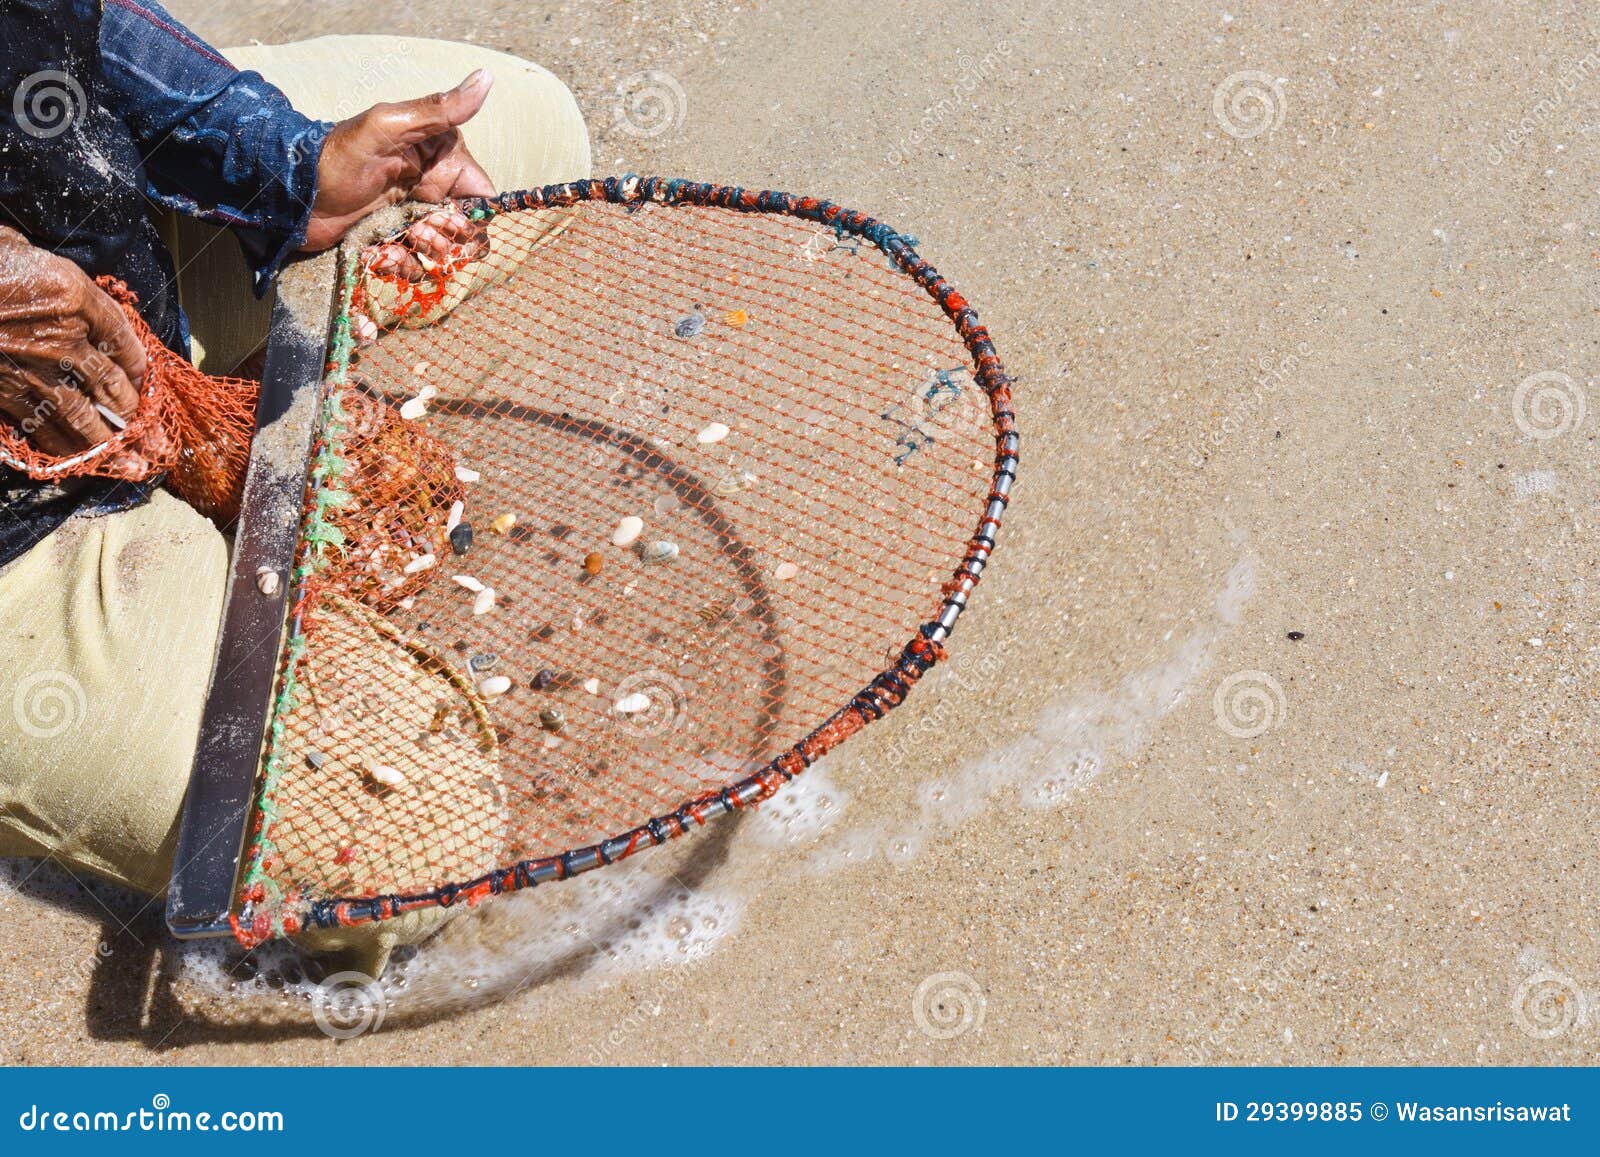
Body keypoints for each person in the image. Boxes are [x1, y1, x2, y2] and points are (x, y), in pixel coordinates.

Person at [0, 0, 590, 975]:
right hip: (24, 534)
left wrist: (279, 164)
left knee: (529, 133)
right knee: (406, 851)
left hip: (102, 242)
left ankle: (183, 387)